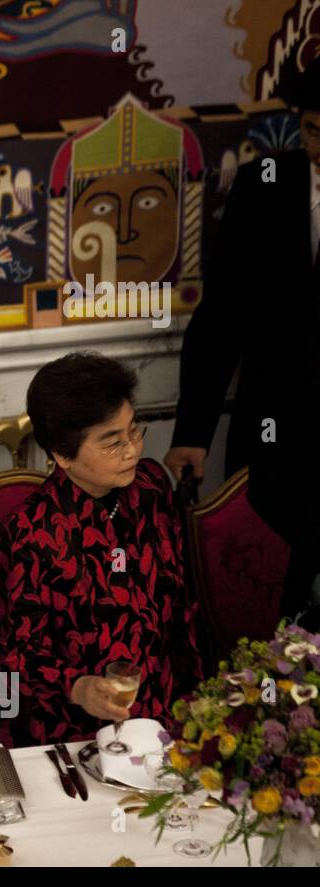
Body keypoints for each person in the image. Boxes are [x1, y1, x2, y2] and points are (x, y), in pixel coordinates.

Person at [165, 61, 320, 620]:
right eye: (312, 131)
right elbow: (221, 318)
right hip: (274, 433)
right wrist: (192, 433)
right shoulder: (265, 184)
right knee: (263, 601)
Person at [0, 353, 202, 746]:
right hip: (72, 731)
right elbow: (16, 653)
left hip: (164, 716)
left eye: (133, 432)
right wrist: (78, 688)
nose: (132, 451)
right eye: (111, 442)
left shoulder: (153, 488)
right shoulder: (32, 531)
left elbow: (183, 607)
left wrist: (196, 702)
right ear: (62, 455)